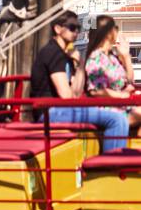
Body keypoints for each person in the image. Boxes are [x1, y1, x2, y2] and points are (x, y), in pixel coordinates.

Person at [30, 10, 129, 152]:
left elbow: (75, 95)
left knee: (118, 117)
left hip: (61, 109)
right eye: (71, 27)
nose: (76, 32)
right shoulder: (53, 53)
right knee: (116, 119)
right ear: (58, 29)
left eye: (78, 28)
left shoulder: (66, 55)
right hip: (49, 112)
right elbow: (66, 96)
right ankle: (112, 164)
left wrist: (81, 64)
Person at [84, 14, 140, 133]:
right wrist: (122, 95)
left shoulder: (112, 57)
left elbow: (129, 80)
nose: (117, 31)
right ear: (109, 33)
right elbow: (96, 90)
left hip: (121, 105)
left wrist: (126, 57)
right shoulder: (95, 58)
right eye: (116, 28)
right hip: (108, 108)